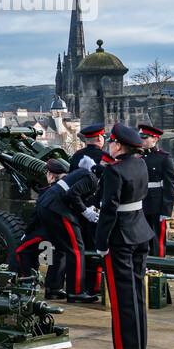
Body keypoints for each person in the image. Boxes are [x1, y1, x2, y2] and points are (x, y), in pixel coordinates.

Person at [95, 124, 153, 349]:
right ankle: (138, 348)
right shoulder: (140, 163)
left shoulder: (114, 172)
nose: (109, 144)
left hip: (120, 237)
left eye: (111, 142)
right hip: (140, 231)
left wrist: (101, 242)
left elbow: (109, 210)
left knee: (122, 297)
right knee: (137, 293)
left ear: (118, 145)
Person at [14, 158, 98, 303]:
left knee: (62, 249)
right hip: (57, 211)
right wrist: (85, 211)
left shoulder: (65, 182)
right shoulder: (89, 178)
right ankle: (76, 292)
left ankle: (53, 288)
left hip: (51, 210)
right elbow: (73, 195)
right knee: (76, 250)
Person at [66, 122, 107, 297]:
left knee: (78, 247)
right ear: (99, 138)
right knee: (96, 246)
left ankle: (78, 284)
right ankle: (94, 286)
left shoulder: (76, 156)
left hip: (77, 206)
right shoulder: (106, 157)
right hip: (95, 207)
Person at [139, 124, 174, 257]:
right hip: (139, 203)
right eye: (140, 137)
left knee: (157, 240)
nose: (141, 140)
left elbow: (170, 186)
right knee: (141, 239)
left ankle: (157, 269)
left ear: (155, 139)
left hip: (156, 205)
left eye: (145, 137)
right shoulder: (137, 157)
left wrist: (166, 210)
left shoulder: (164, 158)